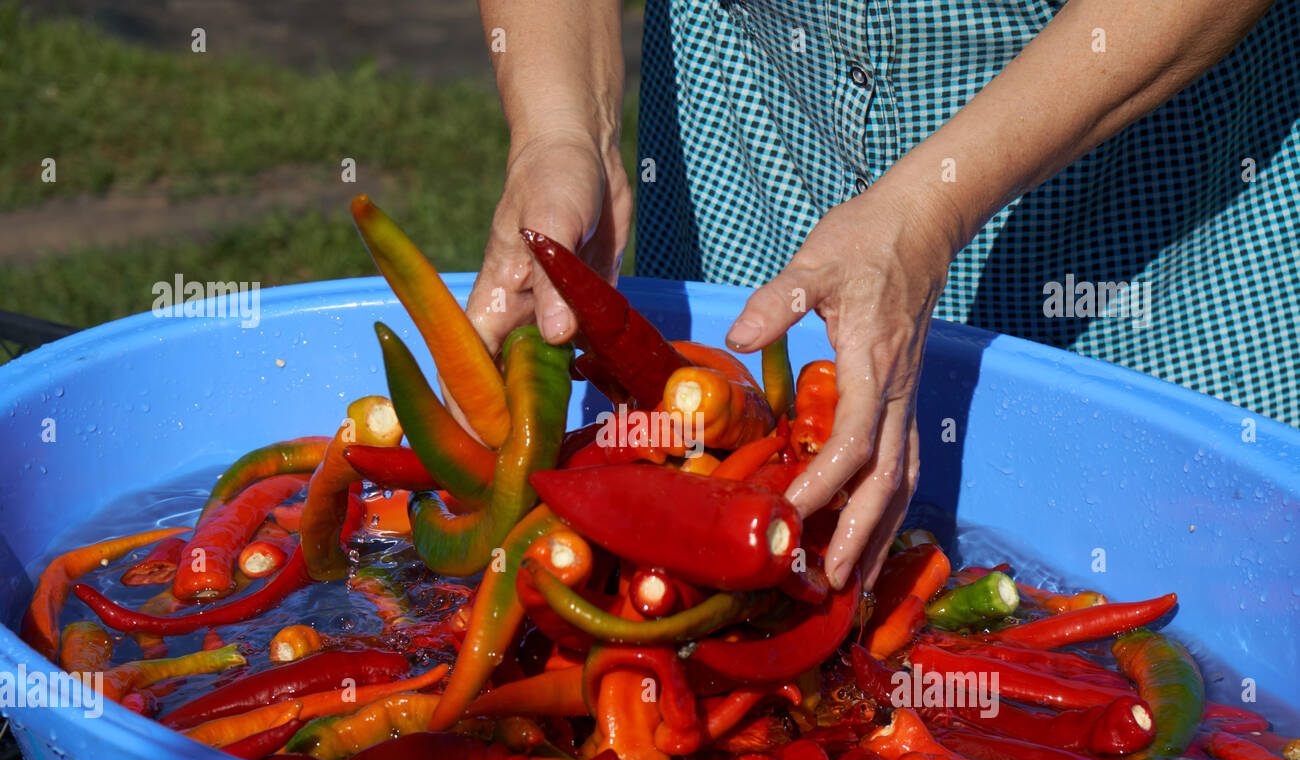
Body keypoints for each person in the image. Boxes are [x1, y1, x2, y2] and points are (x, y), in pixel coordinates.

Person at [466, 0, 1296, 588]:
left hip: (1133, 212)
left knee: (1191, 584)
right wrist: (560, 127)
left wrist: (929, 206)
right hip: (764, 146)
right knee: (737, 591)